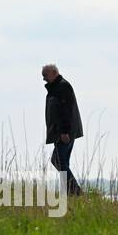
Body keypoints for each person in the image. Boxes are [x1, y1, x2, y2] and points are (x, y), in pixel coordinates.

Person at [42, 63, 83, 196]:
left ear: (54, 73)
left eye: (45, 75)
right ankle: (71, 193)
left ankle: (76, 191)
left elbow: (66, 111)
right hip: (61, 133)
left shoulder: (62, 87)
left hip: (66, 132)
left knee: (57, 160)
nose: (43, 79)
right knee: (63, 161)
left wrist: (64, 132)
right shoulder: (55, 88)